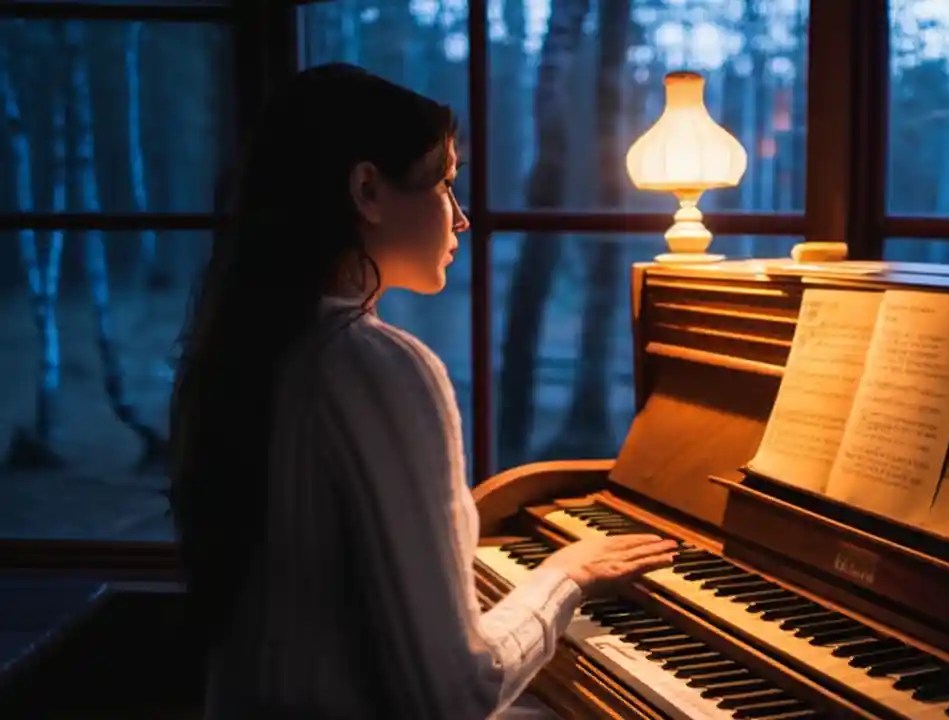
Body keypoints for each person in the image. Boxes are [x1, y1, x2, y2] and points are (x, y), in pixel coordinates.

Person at [169, 63, 676, 720]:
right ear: (368, 190)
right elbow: (454, 697)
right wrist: (567, 575)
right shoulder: (373, 366)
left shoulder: (245, 346)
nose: (461, 219)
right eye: (444, 185)